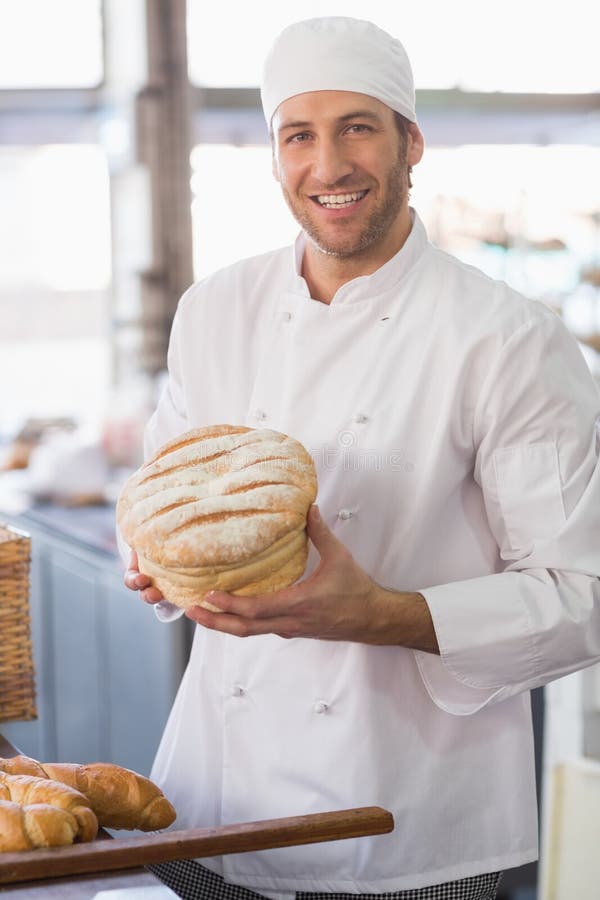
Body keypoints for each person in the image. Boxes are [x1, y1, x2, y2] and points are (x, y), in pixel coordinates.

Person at [122, 16, 600, 900]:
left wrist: (378, 613)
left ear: (411, 141)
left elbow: (583, 596)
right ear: (273, 157)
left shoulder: (507, 339)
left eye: (358, 128)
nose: (328, 165)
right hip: (215, 804)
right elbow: (163, 499)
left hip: (409, 816)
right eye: (298, 135)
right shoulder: (215, 308)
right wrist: (158, 567)